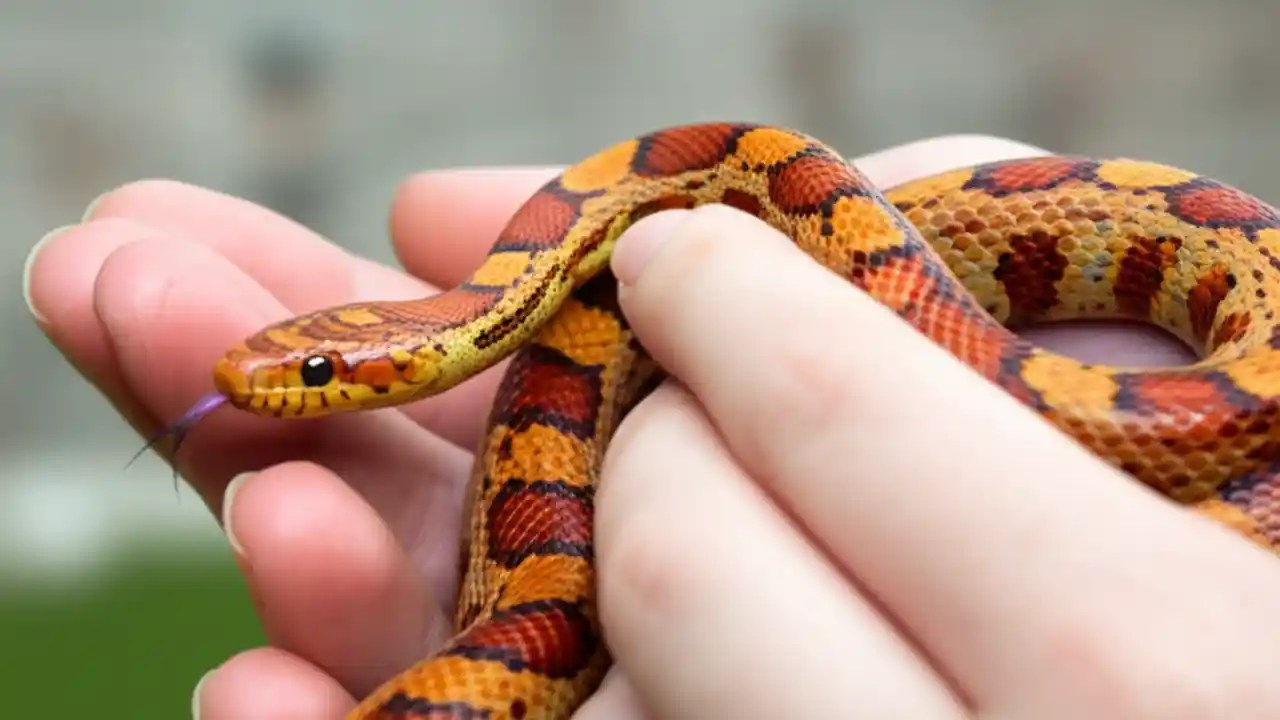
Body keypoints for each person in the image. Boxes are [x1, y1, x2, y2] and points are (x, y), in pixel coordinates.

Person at [25, 134, 1280, 719]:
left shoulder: (617, 233)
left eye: (307, 375)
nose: (271, 383)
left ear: (403, 356)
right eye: (309, 373)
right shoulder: (547, 278)